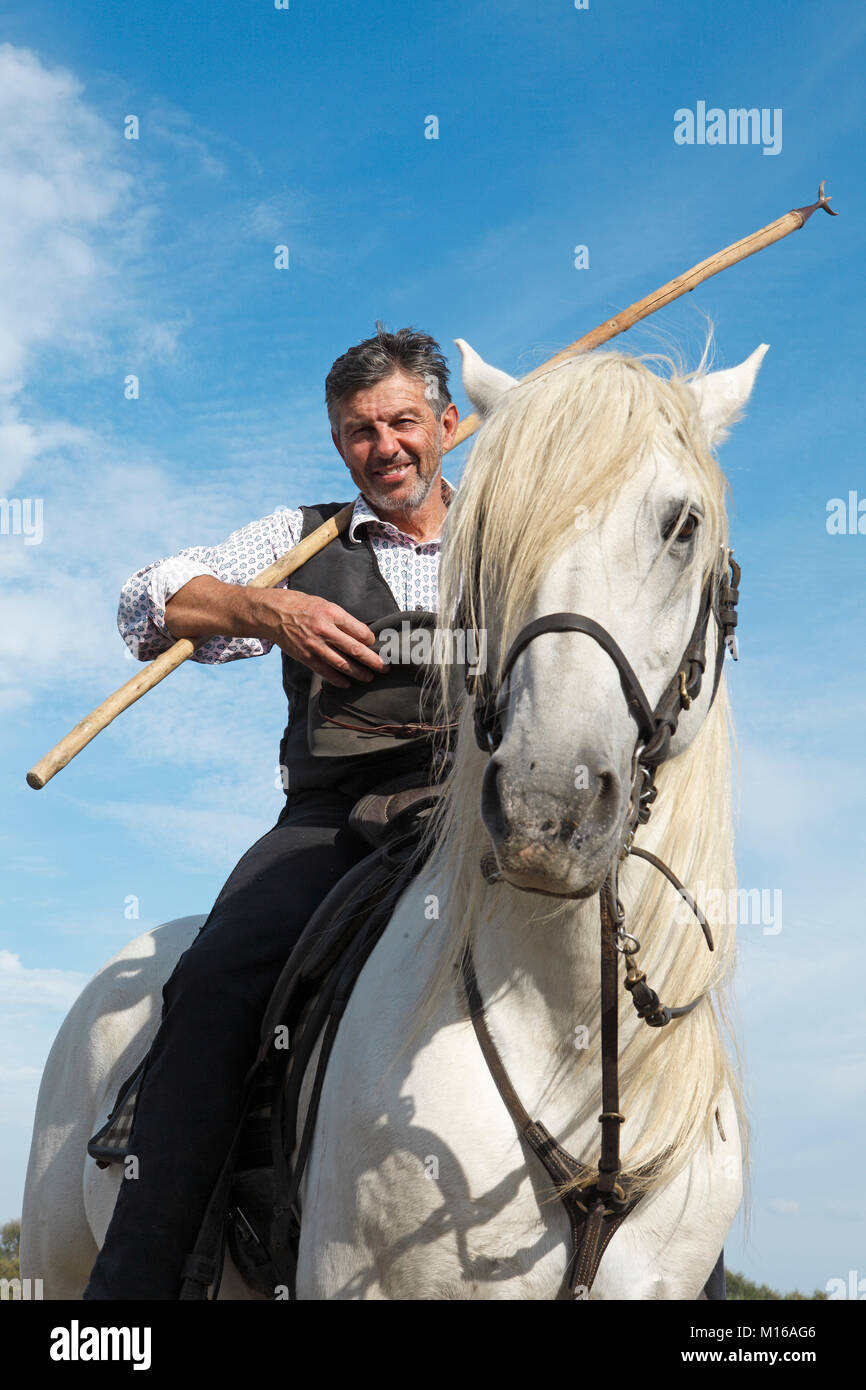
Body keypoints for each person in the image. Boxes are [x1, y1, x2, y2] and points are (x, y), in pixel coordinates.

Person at [83, 325, 460, 1299]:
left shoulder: (514, 534)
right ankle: (132, 1297)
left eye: (402, 422)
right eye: (357, 432)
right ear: (340, 445)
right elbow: (143, 600)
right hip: (333, 822)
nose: (384, 448)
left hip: (486, 817)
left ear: (447, 424)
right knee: (213, 982)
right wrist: (267, 609)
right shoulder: (305, 539)